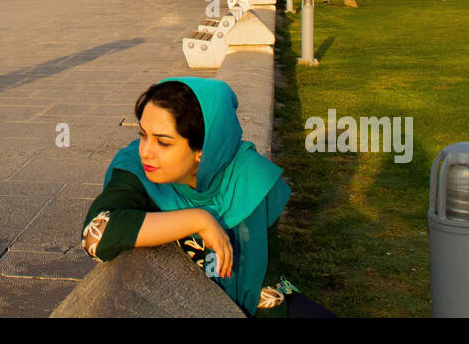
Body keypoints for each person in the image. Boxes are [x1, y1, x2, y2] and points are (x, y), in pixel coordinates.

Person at [81, 76, 335, 318]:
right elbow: (96, 235)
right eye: (143, 135)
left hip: (248, 293)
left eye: (163, 142)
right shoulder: (137, 169)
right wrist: (198, 219)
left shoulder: (250, 179)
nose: (146, 152)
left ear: (204, 150)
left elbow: (262, 277)